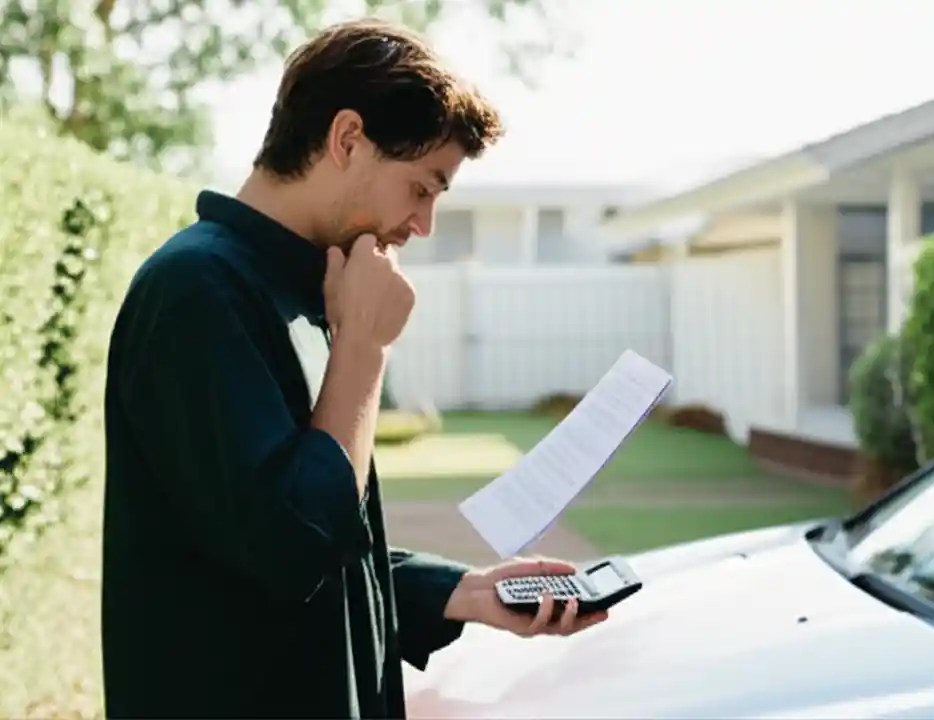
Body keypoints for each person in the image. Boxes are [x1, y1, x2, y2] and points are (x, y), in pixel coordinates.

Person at [99, 18, 606, 719]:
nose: (423, 224)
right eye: (422, 188)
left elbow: (313, 534)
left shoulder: (309, 290)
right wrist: (364, 350)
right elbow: (291, 547)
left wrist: (462, 593)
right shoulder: (197, 291)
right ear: (346, 139)